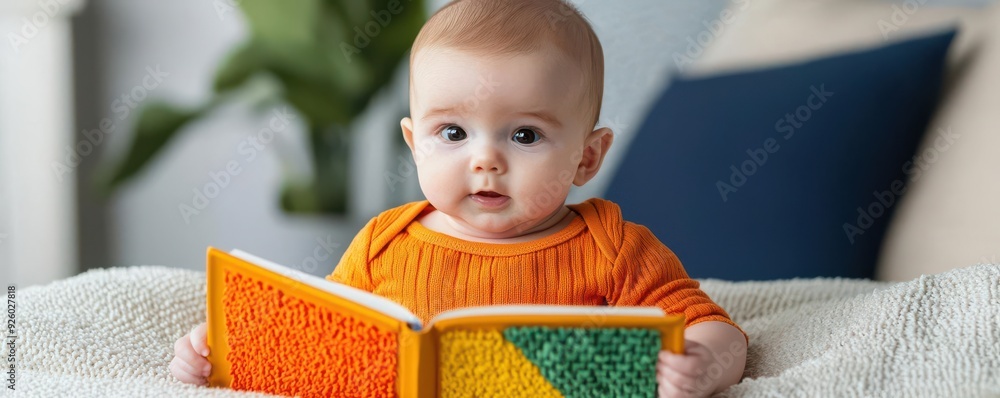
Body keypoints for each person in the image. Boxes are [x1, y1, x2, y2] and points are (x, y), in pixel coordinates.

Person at [171, 0, 747, 396]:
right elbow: (319, 338)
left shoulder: (613, 247)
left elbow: (718, 330)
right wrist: (215, 348)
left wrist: (700, 367)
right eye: (453, 133)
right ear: (414, 145)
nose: (485, 160)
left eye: (525, 135)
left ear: (587, 157)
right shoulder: (384, 243)